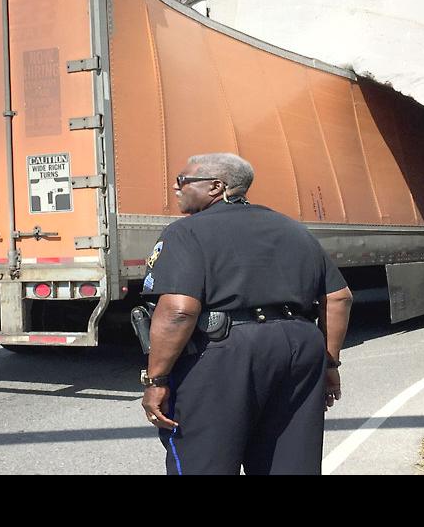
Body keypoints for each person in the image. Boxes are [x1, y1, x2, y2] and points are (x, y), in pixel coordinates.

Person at [140, 153, 353, 475]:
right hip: (299, 346)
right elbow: (339, 298)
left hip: (224, 354)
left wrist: (156, 379)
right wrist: (330, 362)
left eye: (183, 181)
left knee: (204, 460)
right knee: (289, 462)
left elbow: (180, 311)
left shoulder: (186, 233)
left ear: (216, 186)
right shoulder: (292, 229)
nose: (175, 187)